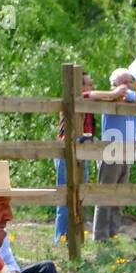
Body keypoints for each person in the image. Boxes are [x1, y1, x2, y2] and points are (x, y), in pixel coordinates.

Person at [84, 68, 136, 240]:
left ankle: (113, 233)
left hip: (128, 152)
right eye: (124, 82)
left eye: (130, 82)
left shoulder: (133, 100)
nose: (128, 86)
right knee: (105, 194)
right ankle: (100, 235)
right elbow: (94, 95)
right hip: (111, 152)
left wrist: (129, 95)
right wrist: (116, 93)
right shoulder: (109, 98)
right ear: (114, 85)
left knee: (119, 196)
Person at [53, 70, 95, 243]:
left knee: (80, 195)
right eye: (88, 83)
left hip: (82, 148)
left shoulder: (87, 102)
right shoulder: (76, 99)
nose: (91, 86)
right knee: (65, 197)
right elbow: (90, 95)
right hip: (66, 151)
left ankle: (76, 236)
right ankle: (62, 237)